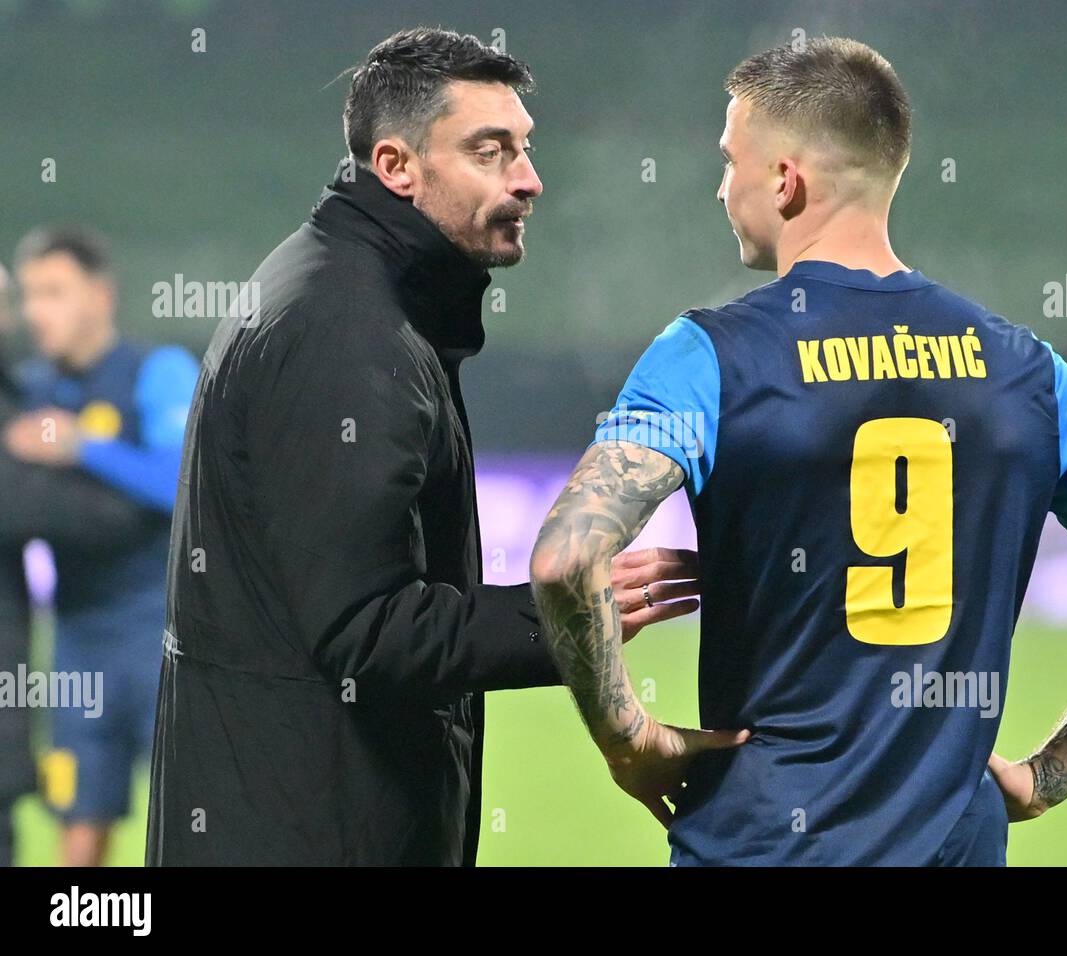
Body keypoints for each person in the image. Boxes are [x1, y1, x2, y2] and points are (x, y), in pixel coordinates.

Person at [529, 38, 1067, 865]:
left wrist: (629, 740)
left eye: (730, 162)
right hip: (954, 842)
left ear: (785, 180)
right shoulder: (1028, 372)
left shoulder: (708, 357)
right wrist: (1048, 777)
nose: (722, 187)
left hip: (765, 839)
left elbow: (565, 560)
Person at [146, 27, 700, 867]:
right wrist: (562, 619)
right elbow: (366, 630)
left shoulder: (347, 292)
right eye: (491, 152)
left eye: (524, 148)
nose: (529, 178)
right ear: (398, 167)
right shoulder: (346, 332)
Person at [4, 228, 198, 865]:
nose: (37, 310)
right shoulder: (31, 390)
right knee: (78, 824)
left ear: (100, 295)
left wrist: (84, 445)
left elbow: (187, 482)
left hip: (165, 635)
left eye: (54, 291)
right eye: (30, 294)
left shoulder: (158, 372)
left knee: (189, 816)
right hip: (77, 640)